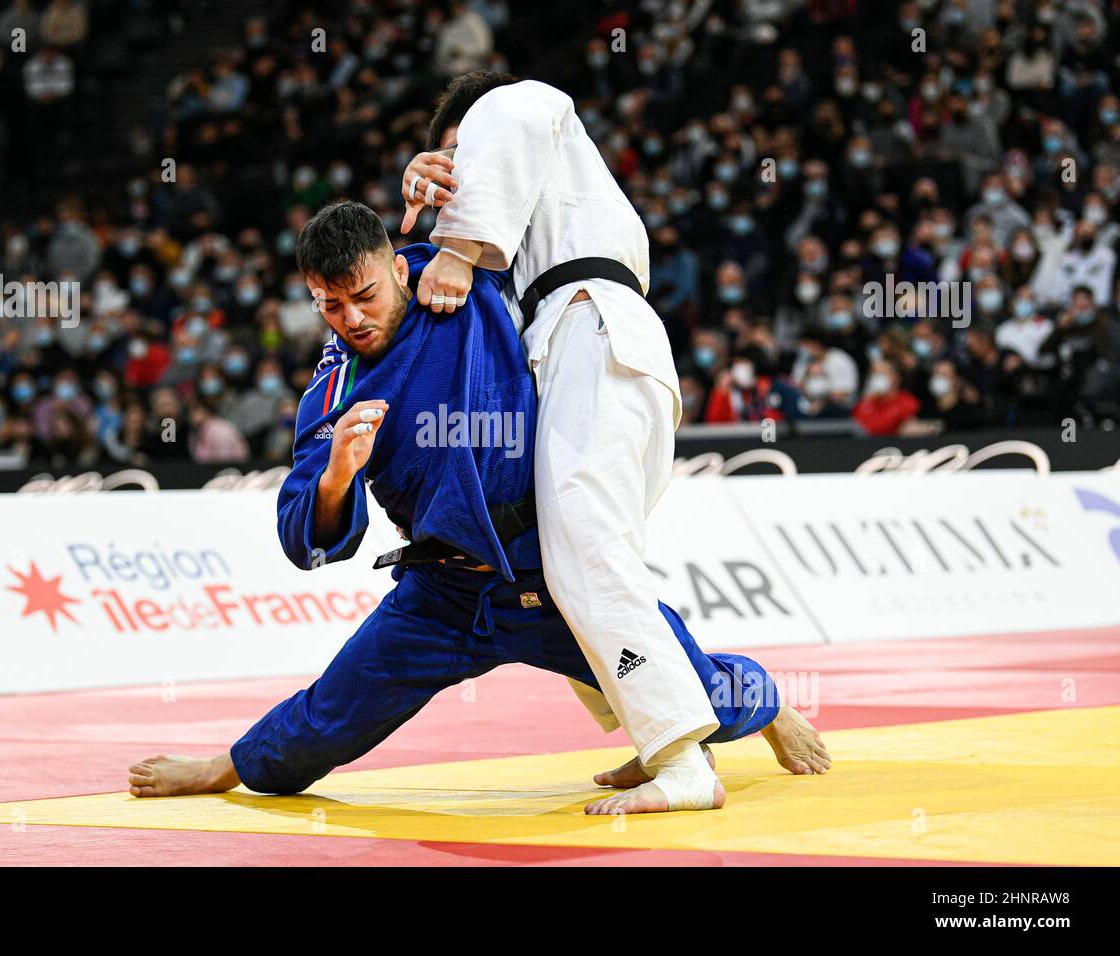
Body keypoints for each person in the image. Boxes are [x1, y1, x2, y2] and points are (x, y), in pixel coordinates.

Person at [127, 202, 828, 811]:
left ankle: (766, 705)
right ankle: (227, 765)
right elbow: (301, 535)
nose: (351, 320)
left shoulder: (467, 278)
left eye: (364, 296)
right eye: (329, 305)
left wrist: (446, 172)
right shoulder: (332, 387)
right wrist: (339, 473)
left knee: (692, 691)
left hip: (547, 571)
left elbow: (521, 179)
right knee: (321, 725)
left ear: (398, 268)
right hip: (442, 594)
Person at [395, 72, 722, 814]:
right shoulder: (548, 216)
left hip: (592, 331)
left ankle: (683, 762)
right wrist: (421, 214)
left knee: (583, 547)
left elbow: (516, 113)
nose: (459, 176)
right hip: (596, 345)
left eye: (457, 158)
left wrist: (454, 247)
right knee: (570, 556)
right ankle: (658, 733)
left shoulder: (513, 106)